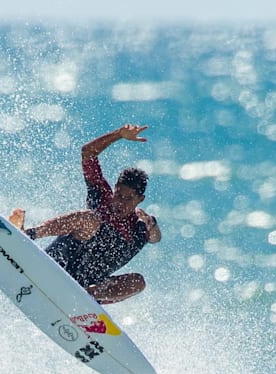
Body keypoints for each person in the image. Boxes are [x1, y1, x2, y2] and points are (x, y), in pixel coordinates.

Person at [9, 124, 162, 304]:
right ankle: (27, 235)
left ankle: (84, 300)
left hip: (87, 287)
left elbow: (155, 237)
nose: (120, 202)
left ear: (140, 200)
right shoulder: (102, 196)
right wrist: (118, 135)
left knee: (138, 282)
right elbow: (88, 153)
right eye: (119, 194)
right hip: (56, 263)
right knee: (90, 219)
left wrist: (152, 225)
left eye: (128, 198)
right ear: (114, 189)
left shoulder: (140, 227)